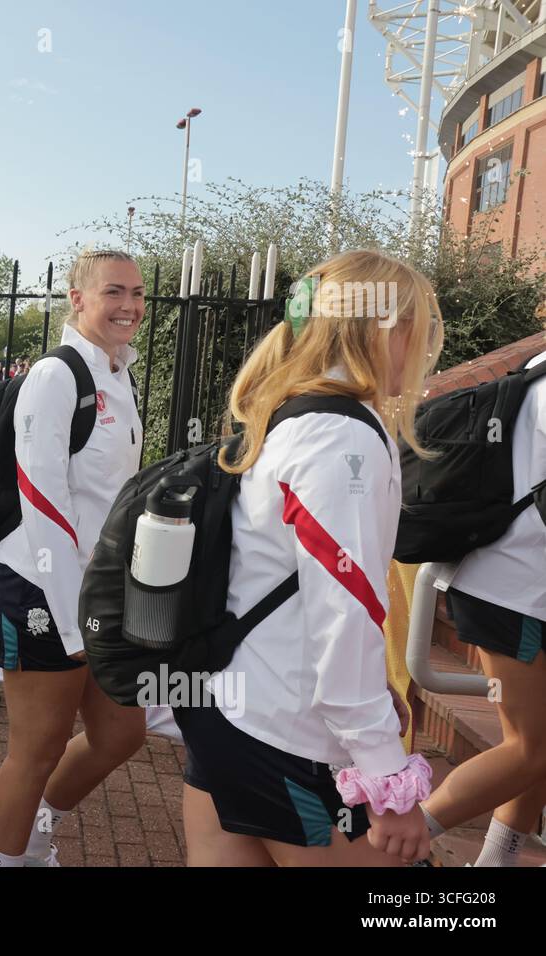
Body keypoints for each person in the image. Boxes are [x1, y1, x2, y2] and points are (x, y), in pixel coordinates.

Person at [174, 249, 443, 866]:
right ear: (386, 328)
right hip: (290, 732)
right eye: (418, 326)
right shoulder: (342, 434)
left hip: (235, 712)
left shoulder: (297, 414)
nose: (425, 347)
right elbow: (342, 616)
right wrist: (385, 776)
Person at [0, 249, 147, 866]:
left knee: (120, 734)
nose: (129, 305)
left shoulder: (117, 373)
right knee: (36, 748)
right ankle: (13, 859)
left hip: (97, 590)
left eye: (136, 293)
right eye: (113, 292)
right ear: (77, 299)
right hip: (38, 587)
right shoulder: (57, 377)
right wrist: (71, 617)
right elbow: (43, 503)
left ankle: (35, 832)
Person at [419, 328, 546, 866]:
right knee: (527, 749)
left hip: (503, 580)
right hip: (517, 589)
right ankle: (387, 843)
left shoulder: (539, 364)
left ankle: (493, 864)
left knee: (538, 746)